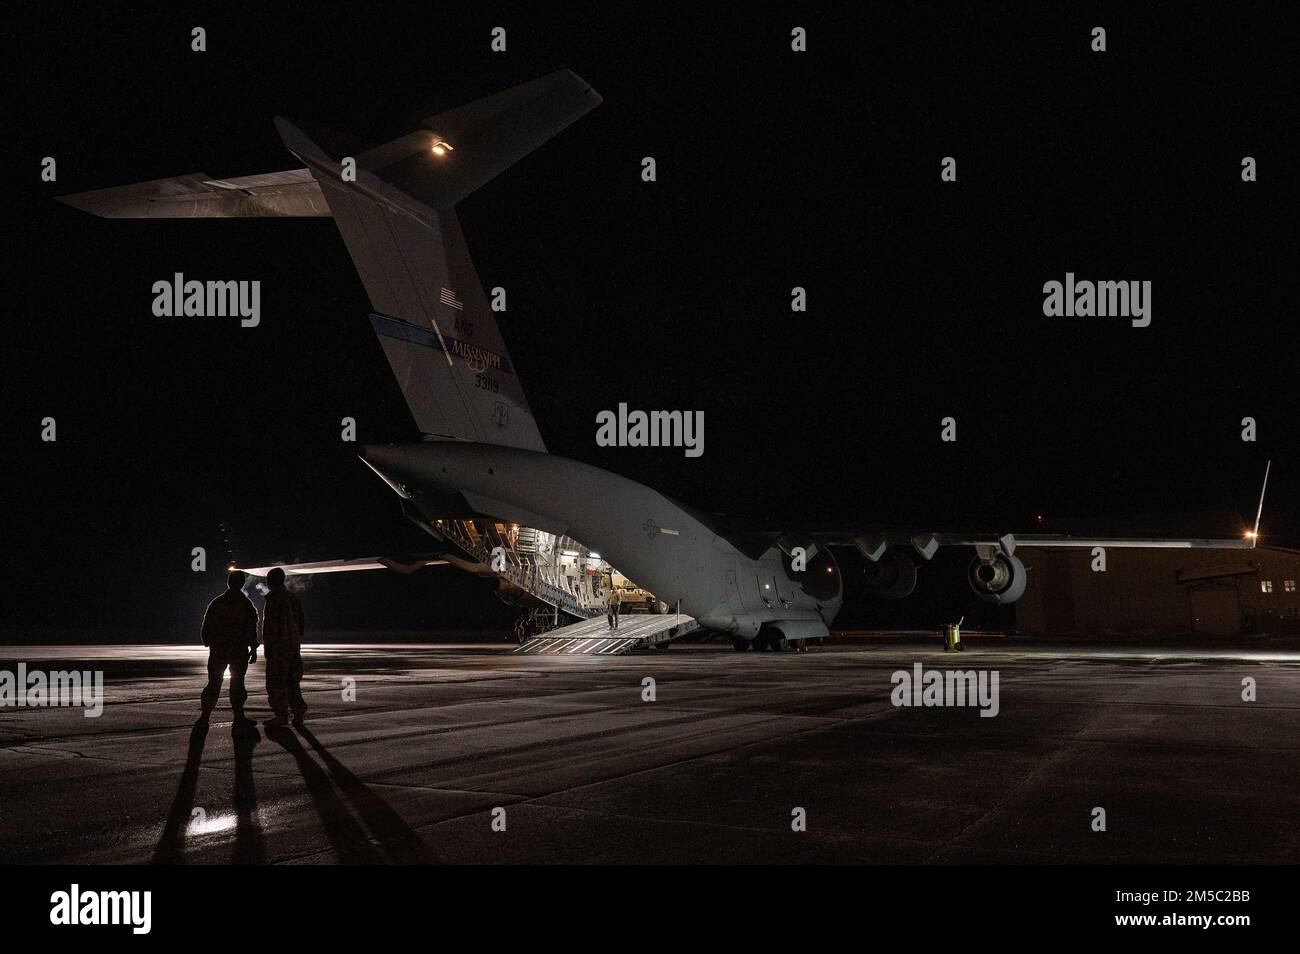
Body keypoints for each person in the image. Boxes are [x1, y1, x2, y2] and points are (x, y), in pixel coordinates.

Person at [199, 570, 259, 733]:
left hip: (218, 650)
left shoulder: (217, 602)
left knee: (214, 682)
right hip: (238, 651)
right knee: (237, 683)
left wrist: (210, 643)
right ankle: (238, 717)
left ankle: (205, 716)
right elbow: (251, 628)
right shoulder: (246, 604)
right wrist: (253, 648)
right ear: (241, 584)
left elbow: (206, 627)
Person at [261, 567, 307, 727]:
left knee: (276, 683)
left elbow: (270, 628)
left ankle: (281, 715)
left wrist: (269, 648)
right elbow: (301, 624)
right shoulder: (293, 598)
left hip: (279, 649)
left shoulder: (273, 600)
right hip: (293, 646)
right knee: (293, 682)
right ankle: (298, 712)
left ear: (270, 582)